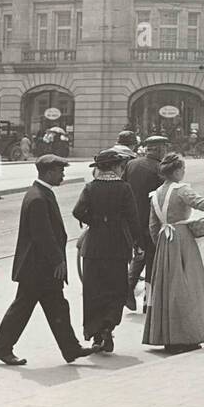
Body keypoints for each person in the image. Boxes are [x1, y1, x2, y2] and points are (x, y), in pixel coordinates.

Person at [0, 155, 97, 365]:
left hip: (39, 267)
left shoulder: (41, 193)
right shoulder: (38, 198)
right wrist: (58, 261)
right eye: (60, 171)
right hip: (39, 268)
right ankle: (2, 349)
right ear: (48, 172)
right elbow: (43, 235)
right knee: (25, 309)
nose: (63, 174)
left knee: (55, 307)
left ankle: (70, 349)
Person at [144, 152, 204, 353]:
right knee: (188, 288)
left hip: (165, 241)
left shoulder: (156, 194)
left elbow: (153, 226)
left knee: (165, 289)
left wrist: (161, 245)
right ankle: (185, 336)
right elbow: (200, 202)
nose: (184, 172)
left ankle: (166, 336)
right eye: (183, 169)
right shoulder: (181, 190)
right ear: (177, 171)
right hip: (182, 240)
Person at [72, 149, 145, 354]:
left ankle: (96, 335)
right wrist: (138, 242)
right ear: (115, 167)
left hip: (94, 246)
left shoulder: (90, 187)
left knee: (94, 290)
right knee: (116, 288)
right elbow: (133, 218)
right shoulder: (124, 188)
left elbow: (78, 211)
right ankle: (108, 326)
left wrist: (95, 222)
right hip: (117, 246)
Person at [124, 134, 167, 310]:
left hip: (132, 219)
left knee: (140, 255)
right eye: (164, 148)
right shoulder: (160, 169)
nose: (165, 151)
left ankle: (128, 290)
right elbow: (163, 197)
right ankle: (148, 302)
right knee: (152, 260)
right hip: (151, 220)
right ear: (157, 149)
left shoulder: (131, 164)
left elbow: (123, 188)